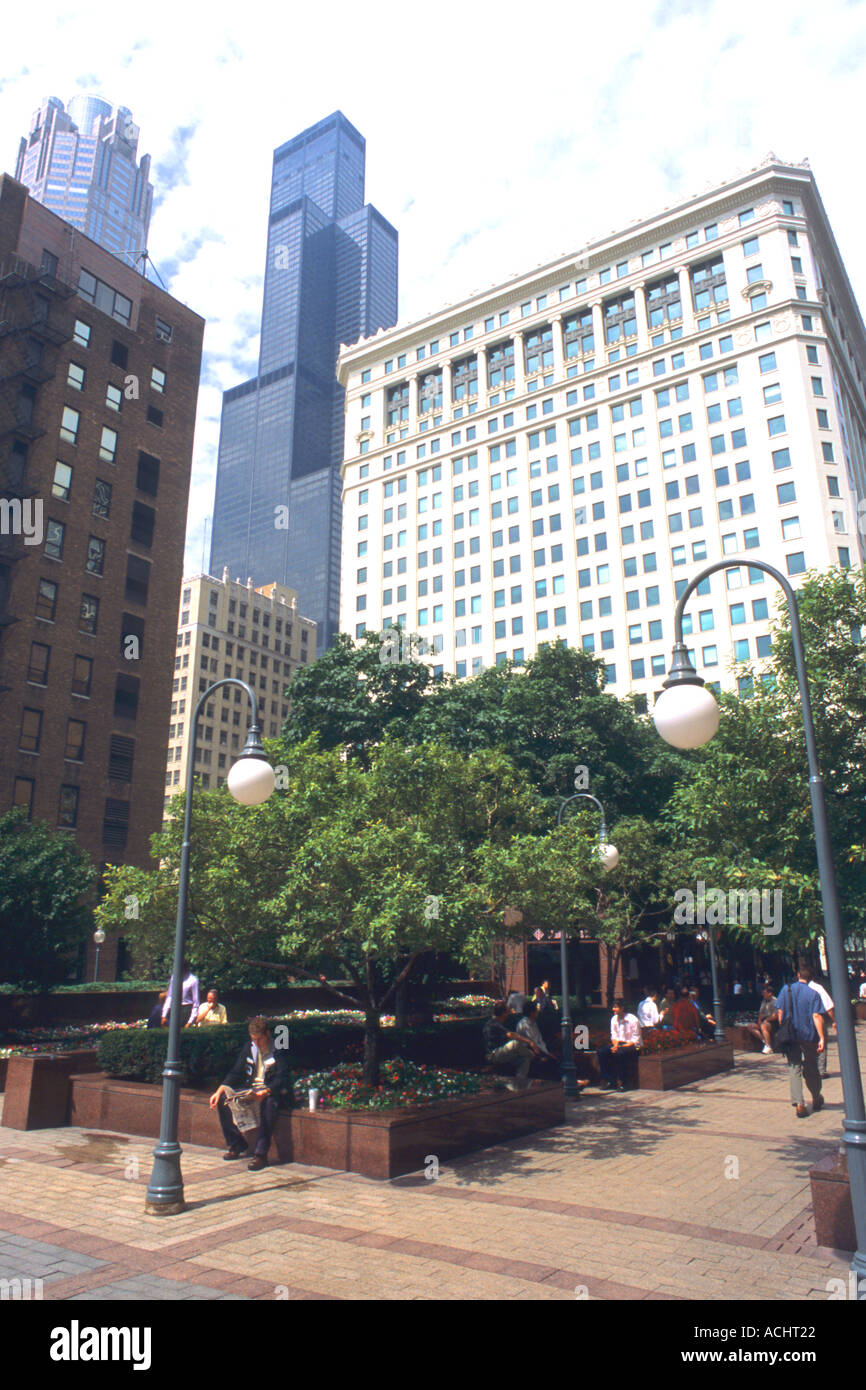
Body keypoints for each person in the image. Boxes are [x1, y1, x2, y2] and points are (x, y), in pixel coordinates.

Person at [210, 1016, 293, 1170]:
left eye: (259, 1039)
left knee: (269, 1104)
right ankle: (236, 1144)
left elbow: (283, 1076)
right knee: (223, 1098)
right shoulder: (250, 1047)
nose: (256, 1043)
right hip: (252, 1089)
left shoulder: (279, 1047)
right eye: (253, 1040)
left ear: (267, 1034)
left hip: (271, 1091)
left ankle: (260, 1155)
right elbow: (236, 1071)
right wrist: (220, 1089)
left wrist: (266, 1091)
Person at [776, 968, 827, 1119]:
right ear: (811, 978)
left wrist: (783, 1030)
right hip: (809, 1036)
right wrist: (822, 1037)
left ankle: (799, 1103)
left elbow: (780, 1013)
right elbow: (817, 1016)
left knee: (794, 1067)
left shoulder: (786, 990)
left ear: (798, 975)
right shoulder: (814, 994)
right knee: (812, 1068)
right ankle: (816, 1097)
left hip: (791, 1036)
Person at [482, 1001, 534, 1085]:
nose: (508, 1014)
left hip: (502, 1054)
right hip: (493, 1055)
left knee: (524, 1059)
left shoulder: (498, 1024)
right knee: (514, 1044)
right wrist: (530, 1042)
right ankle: (532, 1055)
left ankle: (519, 1082)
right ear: (503, 1013)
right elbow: (511, 1035)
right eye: (507, 1012)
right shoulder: (493, 1024)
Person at [599, 998, 641, 1091]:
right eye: (613, 1007)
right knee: (602, 1051)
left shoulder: (633, 1020)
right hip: (619, 1044)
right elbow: (614, 1036)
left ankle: (624, 1082)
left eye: (615, 1007)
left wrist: (619, 1047)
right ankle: (609, 1080)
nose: (613, 1009)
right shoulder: (614, 1019)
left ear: (622, 1008)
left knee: (620, 1053)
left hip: (634, 1046)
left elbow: (635, 1040)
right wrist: (615, 1046)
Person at [800, 969, 834, 1078]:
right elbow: (828, 1006)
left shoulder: (797, 988)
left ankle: (809, 1068)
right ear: (813, 977)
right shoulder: (818, 988)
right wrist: (834, 1020)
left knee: (806, 1045)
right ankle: (820, 1070)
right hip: (817, 1018)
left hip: (802, 1021)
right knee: (821, 1042)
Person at [516, 1000, 558, 1075]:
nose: (538, 1012)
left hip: (538, 1050)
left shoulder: (534, 1023)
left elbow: (539, 1040)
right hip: (528, 1051)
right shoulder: (524, 1024)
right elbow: (533, 1041)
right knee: (550, 1062)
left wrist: (546, 1052)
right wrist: (545, 1054)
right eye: (536, 1010)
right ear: (532, 1012)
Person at [162, 960, 200, 1028]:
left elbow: (196, 1002)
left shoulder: (193, 980)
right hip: (174, 1007)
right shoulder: (174, 977)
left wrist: (190, 1021)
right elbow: (170, 996)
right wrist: (164, 1015)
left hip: (186, 1008)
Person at [746, 983, 779, 1053]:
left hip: (772, 1022)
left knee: (764, 1026)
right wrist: (759, 1020)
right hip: (764, 1020)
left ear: (770, 993)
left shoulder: (775, 1001)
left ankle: (768, 1046)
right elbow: (761, 1013)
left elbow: (775, 1016)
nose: (763, 995)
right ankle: (764, 1040)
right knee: (750, 1026)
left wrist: (766, 1020)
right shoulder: (764, 1001)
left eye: (765, 993)